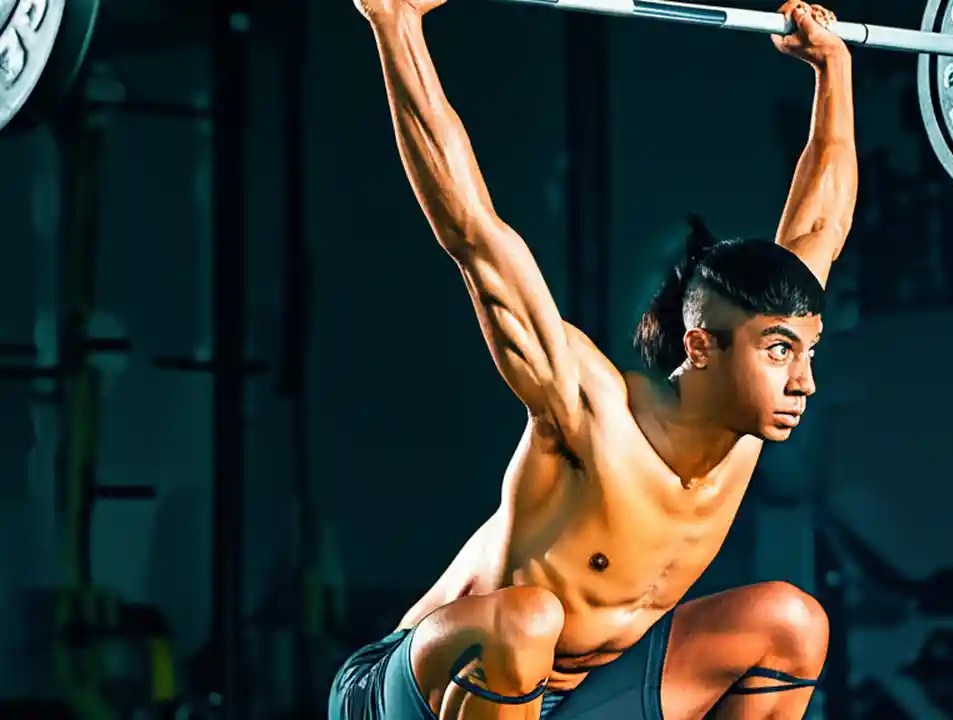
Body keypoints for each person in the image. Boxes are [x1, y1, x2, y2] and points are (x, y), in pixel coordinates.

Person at [332, 0, 857, 716]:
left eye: (807, 351)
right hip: (411, 691)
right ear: (702, 346)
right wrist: (396, 23)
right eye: (778, 351)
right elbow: (473, 233)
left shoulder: (748, 416)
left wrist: (835, 70)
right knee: (528, 620)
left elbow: (820, 226)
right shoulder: (589, 408)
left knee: (792, 624)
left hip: (574, 696)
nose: (803, 380)